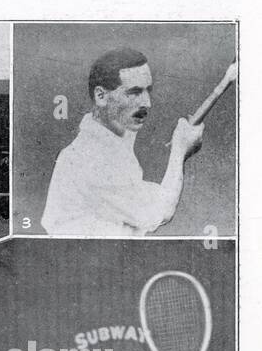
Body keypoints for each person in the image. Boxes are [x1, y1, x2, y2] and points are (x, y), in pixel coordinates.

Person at [41, 48, 205, 236]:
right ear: (101, 96)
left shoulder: (106, 143)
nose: (147, 103)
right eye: (134, 92)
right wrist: (180, 151)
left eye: (148, 91)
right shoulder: (92, 157)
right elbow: (161, 210)